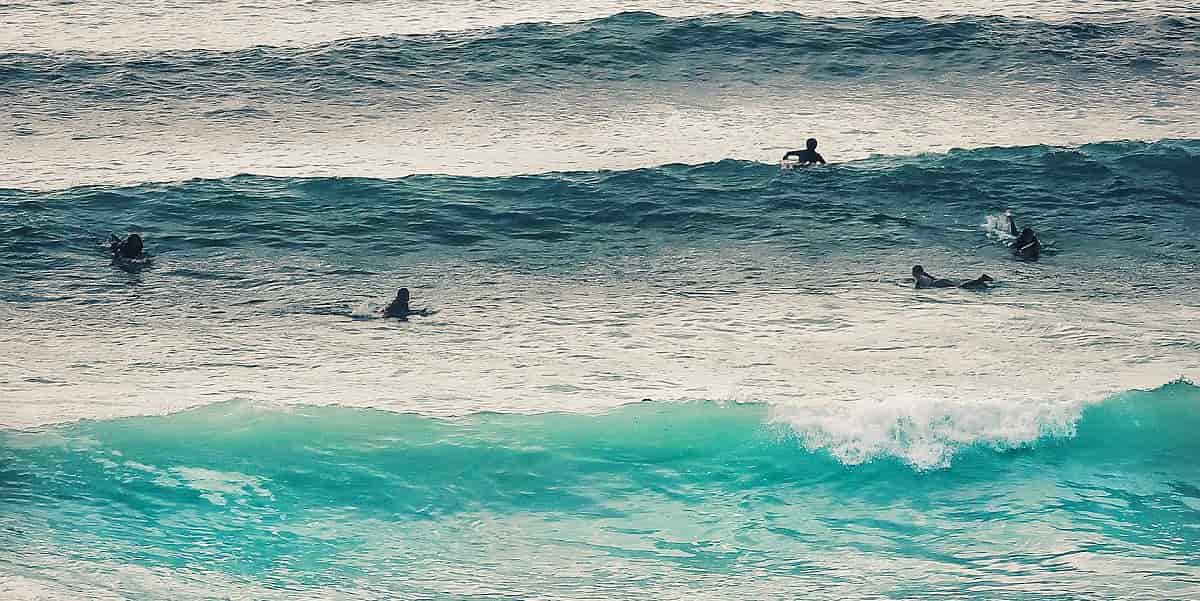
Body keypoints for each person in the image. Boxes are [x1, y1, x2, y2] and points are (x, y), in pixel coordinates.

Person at [912, 265, 993, 290]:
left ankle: (981, 279)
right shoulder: (924, 274)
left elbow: (918, 286)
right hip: (939, 281)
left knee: (960, 287)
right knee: (958, 285)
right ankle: (979, 281)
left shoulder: (918, 277)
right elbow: (933, 278)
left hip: (938, 284)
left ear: (915, 272)